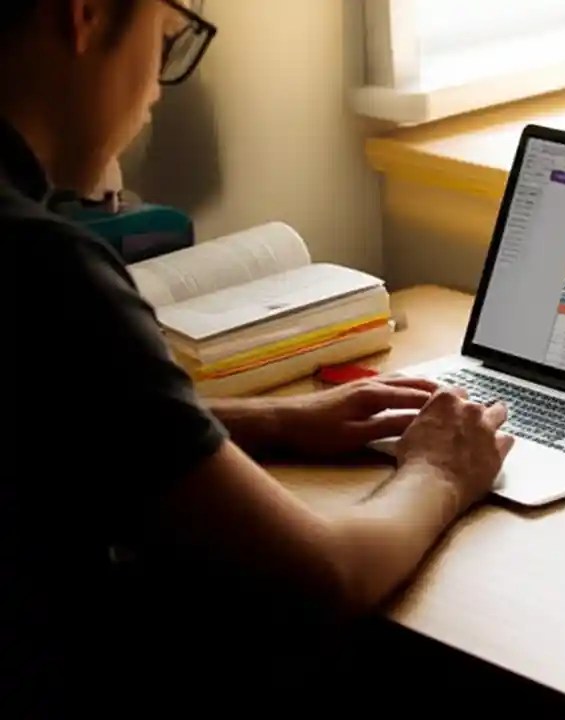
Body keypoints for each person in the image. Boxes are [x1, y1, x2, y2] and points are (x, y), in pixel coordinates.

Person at [0, 0, 514, 714]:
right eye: (169, 37)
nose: (154, 87)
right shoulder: (42, 268)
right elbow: (324, 576)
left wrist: (274, 420)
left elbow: (75, 419)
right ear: (86, 15)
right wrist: (440, 470)